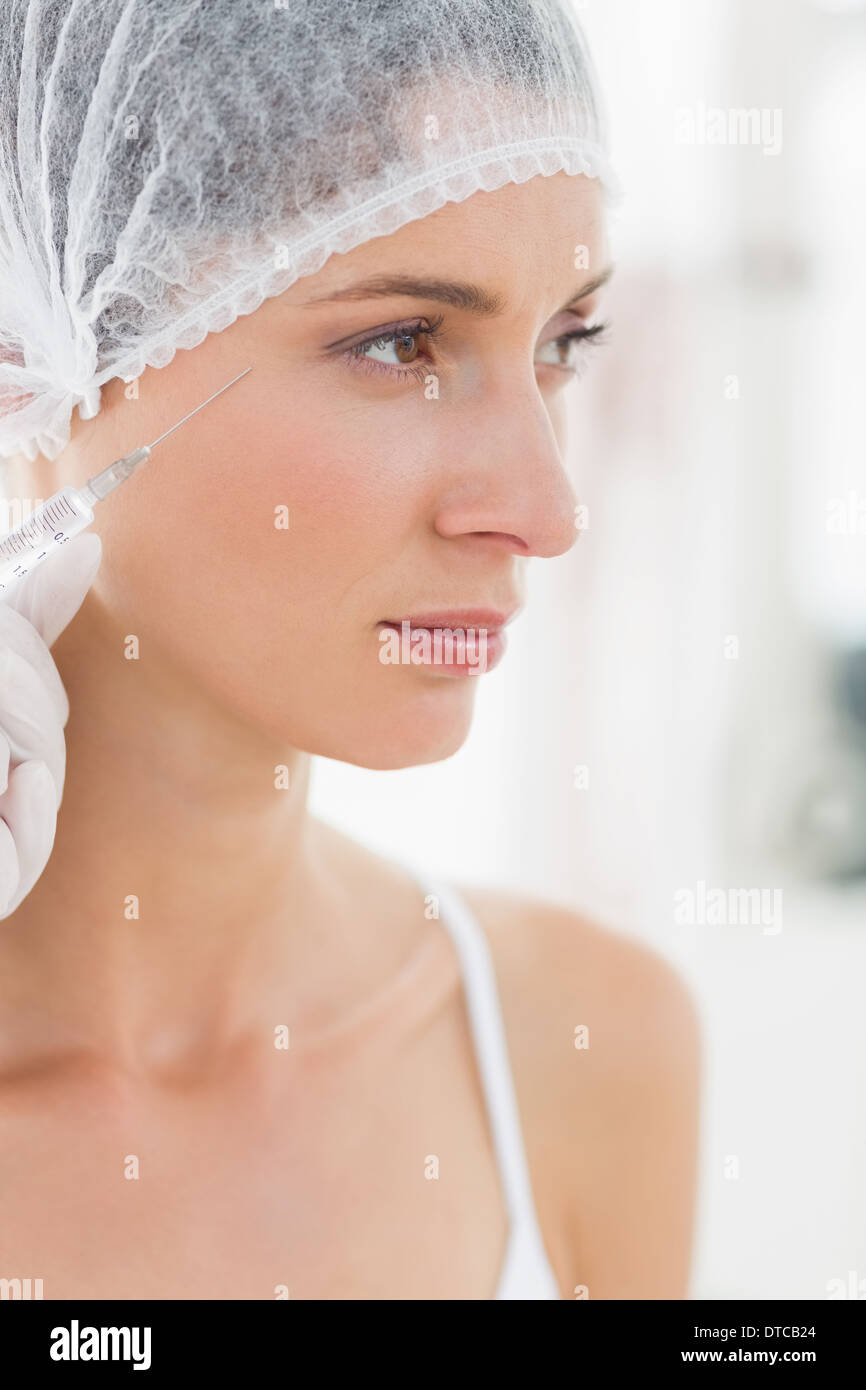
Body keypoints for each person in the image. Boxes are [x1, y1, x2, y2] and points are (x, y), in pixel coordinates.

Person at [0, 0, 700, 1299]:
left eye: (563, 345)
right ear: (32, 349)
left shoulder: (585, 1045)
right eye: (400, 344)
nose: (544, 513)